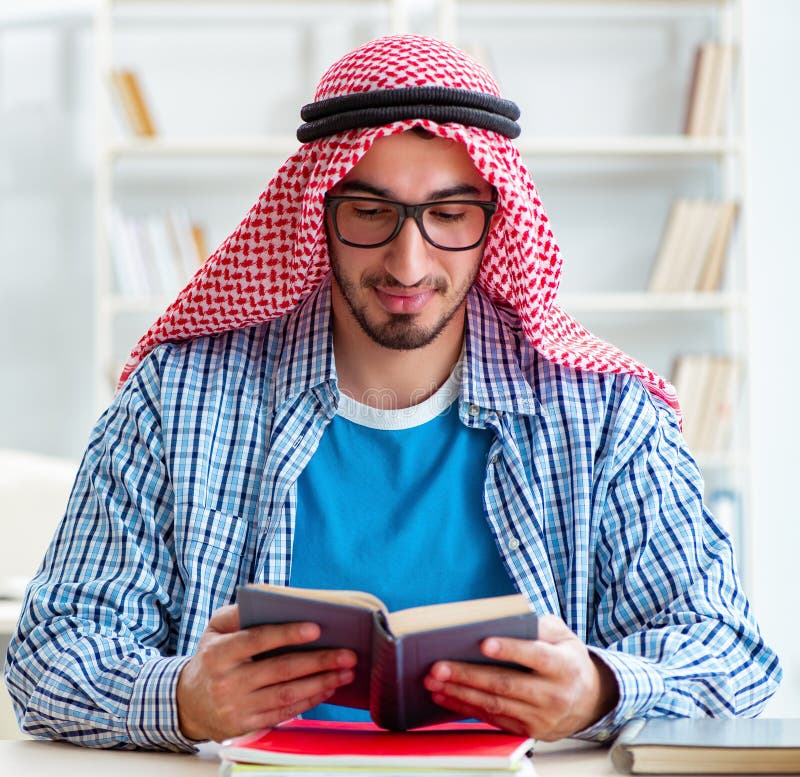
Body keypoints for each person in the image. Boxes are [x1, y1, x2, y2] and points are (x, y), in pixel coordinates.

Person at [4, 34, 780, 752]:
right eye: (371, 213)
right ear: (317, 215)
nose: (408, 263)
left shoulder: (608, 414)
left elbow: (734, 659)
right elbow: (48, 654)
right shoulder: (174, 400)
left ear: (494, 220)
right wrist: (181, 697)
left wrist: (601, 690)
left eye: (448, 215)